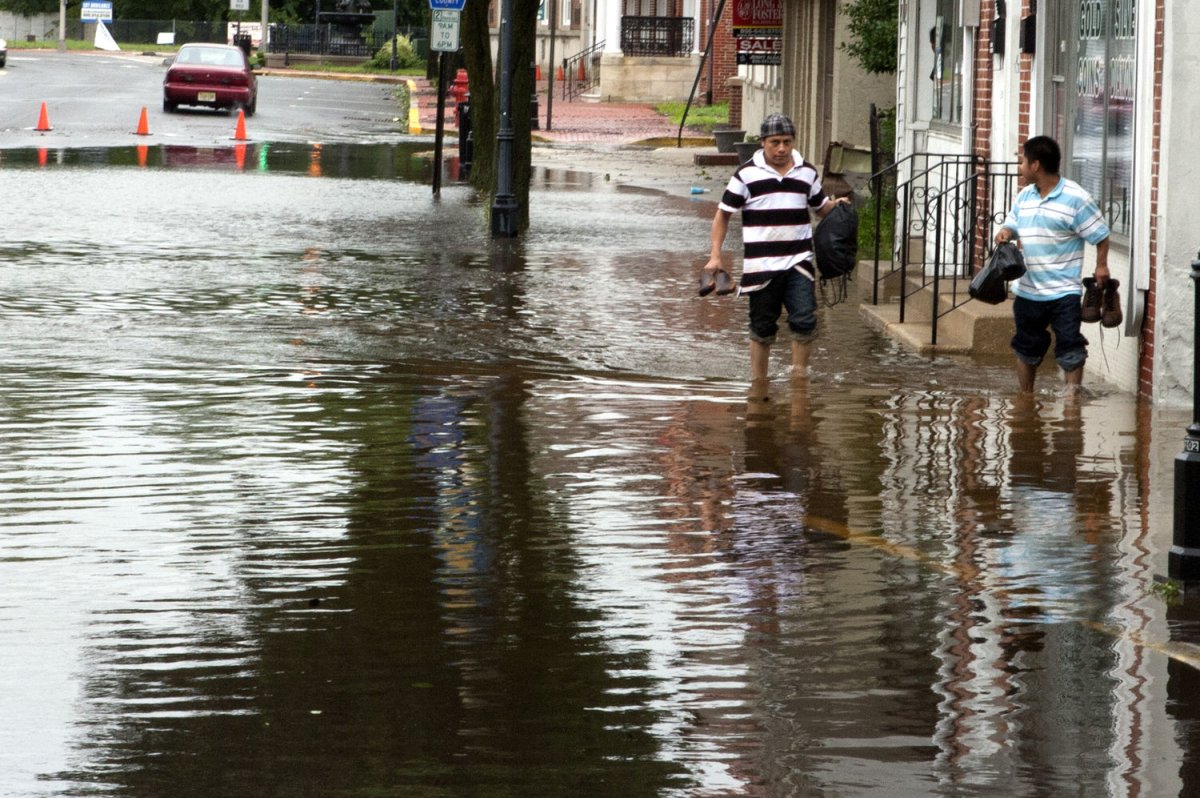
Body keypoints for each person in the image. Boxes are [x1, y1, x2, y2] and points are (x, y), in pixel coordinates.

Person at [703, 113, 849, 386]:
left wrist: (836, 205)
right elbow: (722, 215)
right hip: (762, 266)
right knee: (762, 326)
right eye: (775, 143)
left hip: (799, 262)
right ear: (763, 143)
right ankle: (758, 384)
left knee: (805, 320)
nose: (782, 148)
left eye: (787, 142)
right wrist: (715, 256)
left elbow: (820, 208)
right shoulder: (746, 174)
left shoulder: (806, 172)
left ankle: (799, 381)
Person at [995, 135, 1109, 394]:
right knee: (1026, 346)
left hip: (1064, 291)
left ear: (1036, 165)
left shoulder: (1076, 198)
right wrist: (1006, 232)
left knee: (1070, 345)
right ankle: (1025, 399)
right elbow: (1013, 222)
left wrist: (1101, 266)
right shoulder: (1025, 196)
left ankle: (1072, 404)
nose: (1019, 167)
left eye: (1022, 161)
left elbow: (1100, 235)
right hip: (1028, 290)